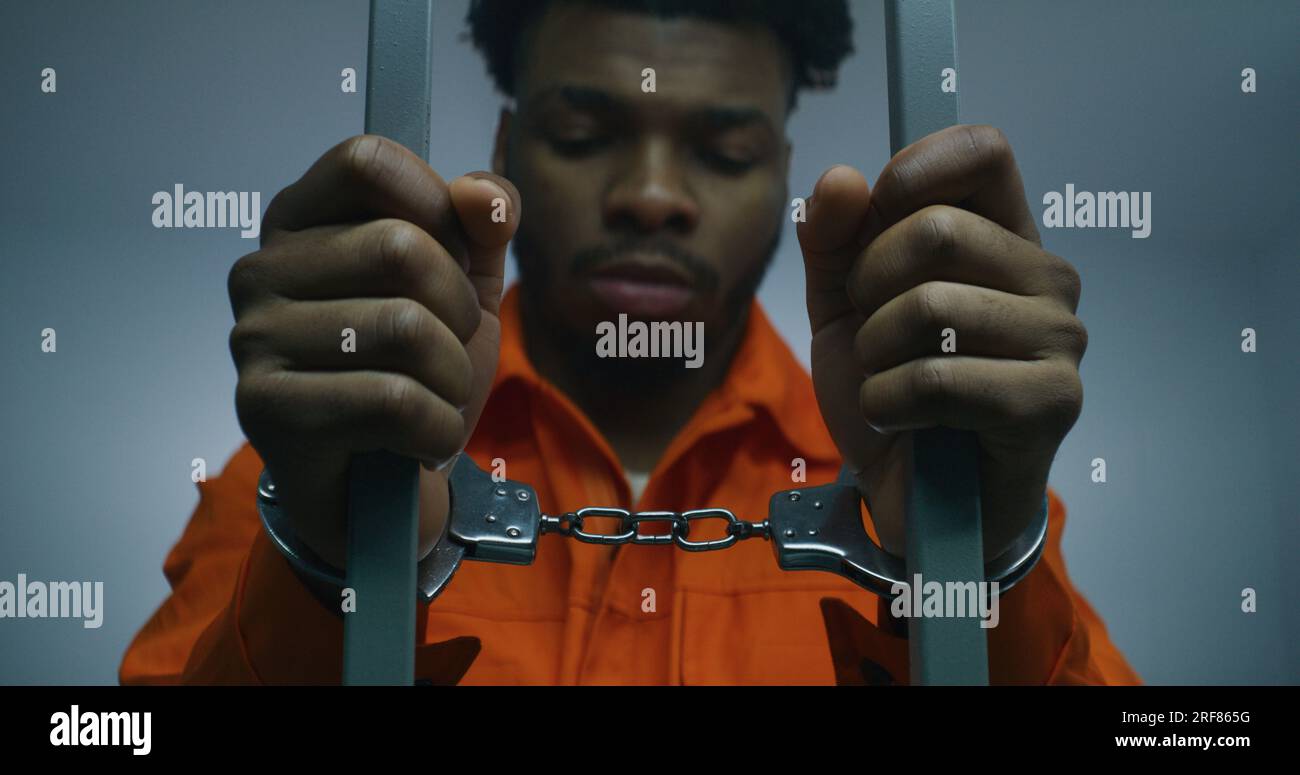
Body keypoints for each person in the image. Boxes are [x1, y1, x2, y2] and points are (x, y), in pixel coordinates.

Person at [120, 0, 1139, 685]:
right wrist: (325, 561)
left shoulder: (959, 479)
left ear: (780, 171)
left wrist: (981, 570)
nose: (651, 196)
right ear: (503, 156)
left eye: (722, 150)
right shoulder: (304, 473)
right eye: (580, 134)